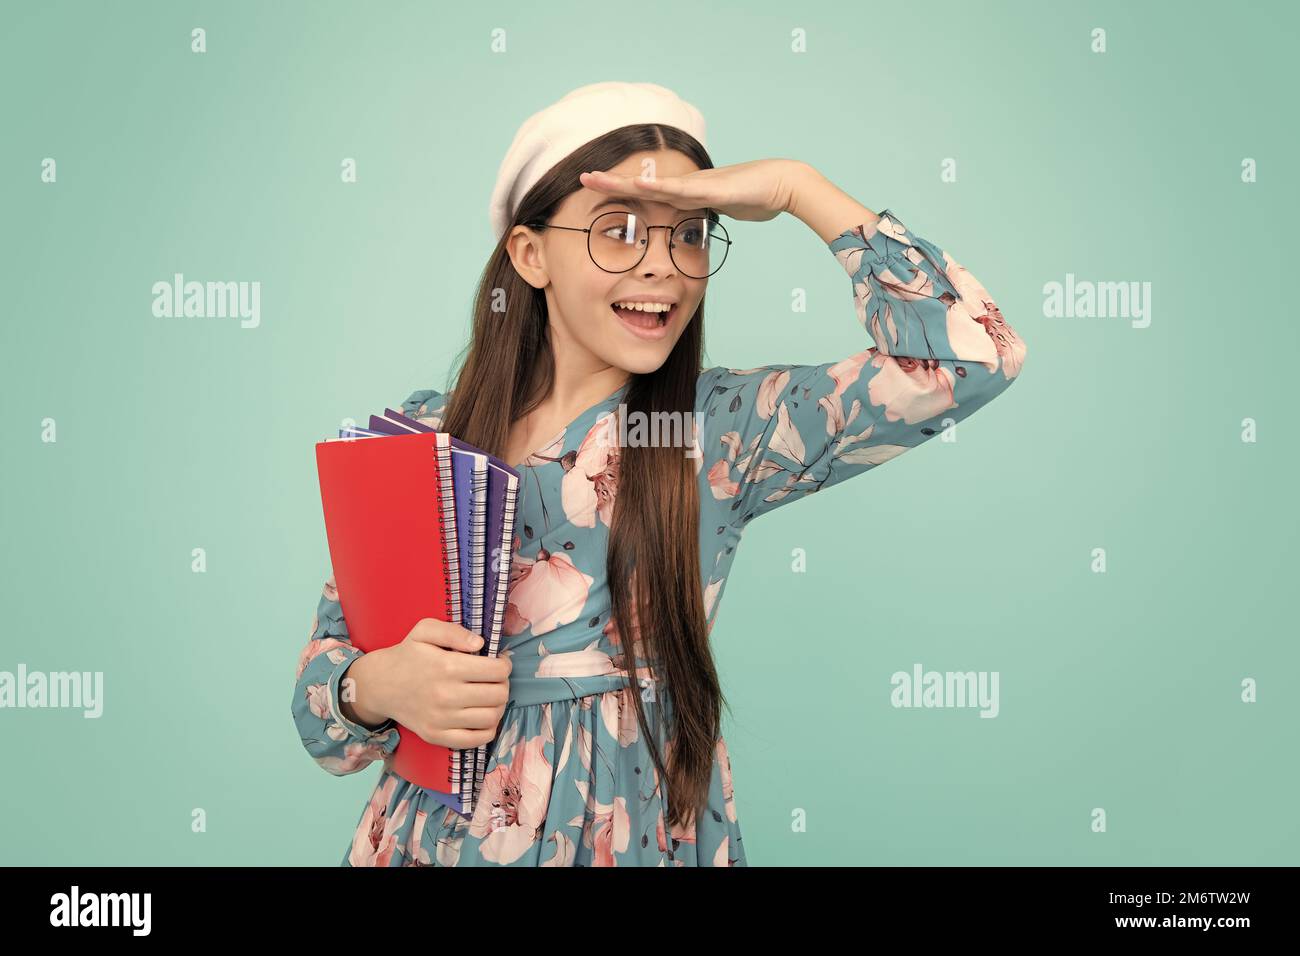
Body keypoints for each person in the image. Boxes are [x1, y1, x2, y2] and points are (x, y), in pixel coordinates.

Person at [290, 81, 1029, 866]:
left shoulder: (716, 433)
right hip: (427, 837)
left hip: (637, 831)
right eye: (620, 232)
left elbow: (974, 356)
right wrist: (373, 688)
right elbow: (322, 713)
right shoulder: (428, 438)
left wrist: (795, 188)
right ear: (530, 253)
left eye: (689, 236)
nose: (664, 268)